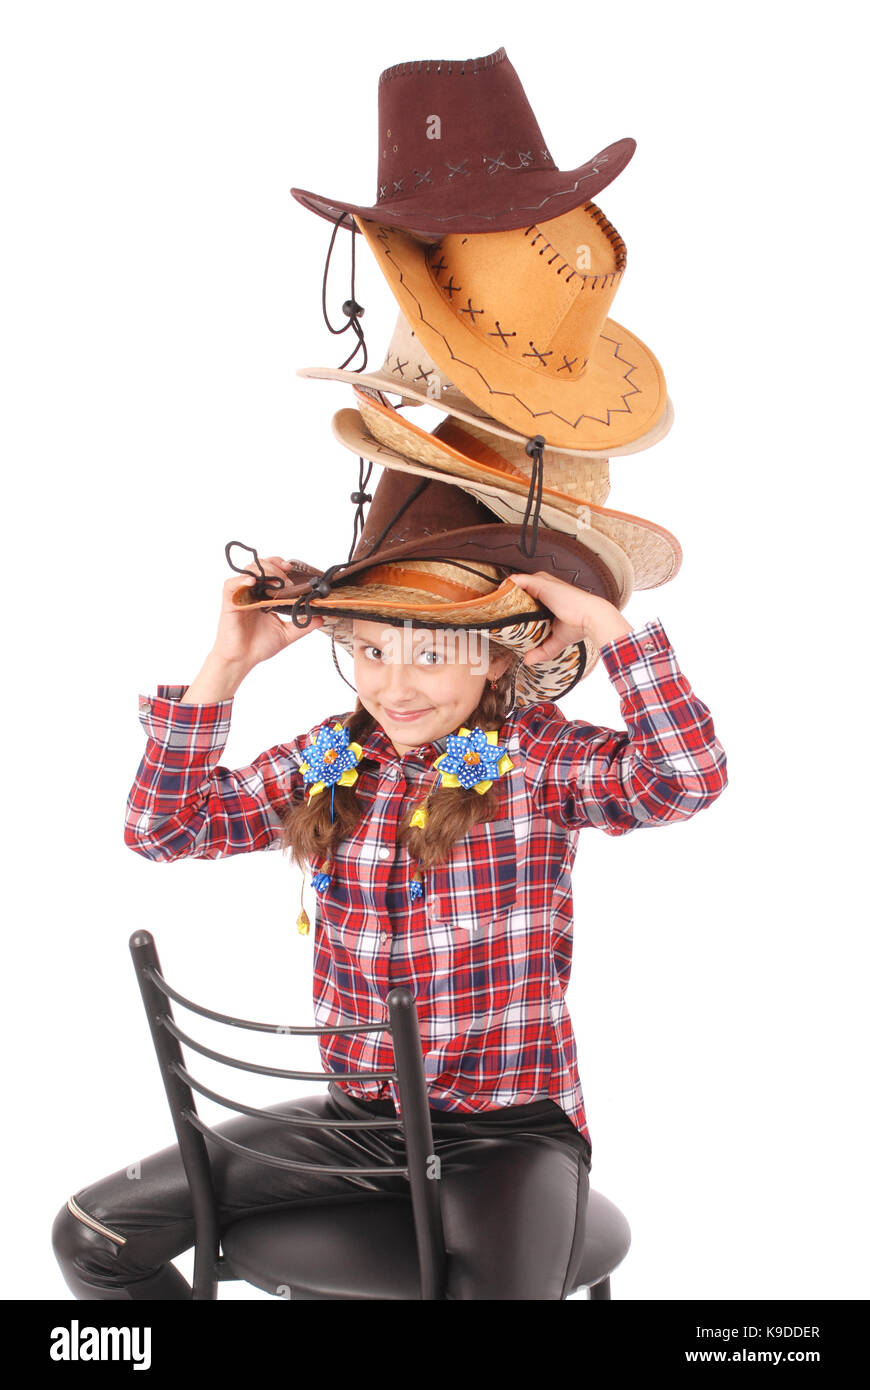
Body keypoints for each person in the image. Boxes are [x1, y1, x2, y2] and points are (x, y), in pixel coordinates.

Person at [51, 552, 727, 1301]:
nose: (394, 687)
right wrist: (226, 665)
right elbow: (162, 828)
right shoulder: (331, 757)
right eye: (371, 651)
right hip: (357, 1120)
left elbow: (685, 780)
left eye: (432, 656)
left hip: (502, 1137)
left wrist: (603, 626)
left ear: (496, 663)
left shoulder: (534, 759)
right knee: (94, 1234)